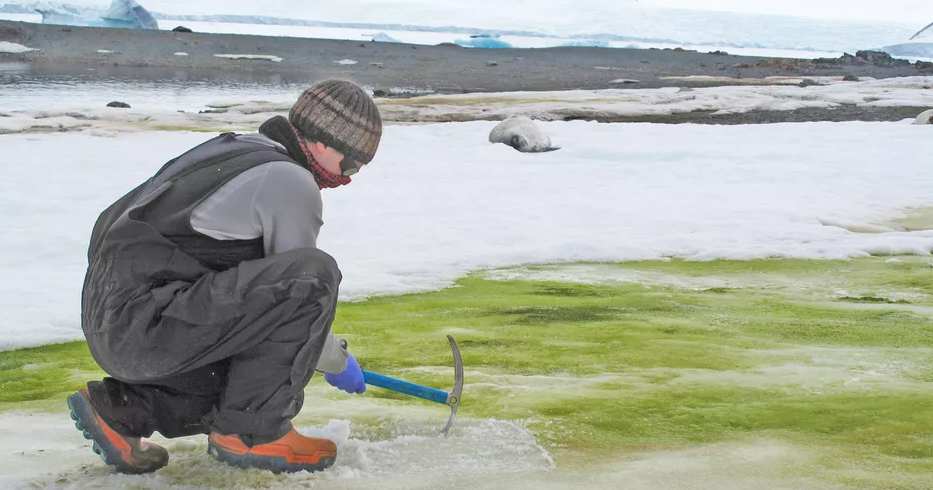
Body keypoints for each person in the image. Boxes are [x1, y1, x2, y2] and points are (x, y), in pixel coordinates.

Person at [67, 79, 382, 475]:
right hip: (148, 323)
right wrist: (335, 358)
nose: (348, 178)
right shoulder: (289, 180)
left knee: (245, 367)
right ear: (322, 142)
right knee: (316, 276)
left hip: (115, 319)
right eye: (351, 164)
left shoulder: (235, 149)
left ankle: (122, 410)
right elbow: (299, 293)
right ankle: (254, 433)